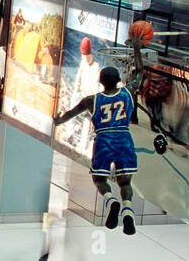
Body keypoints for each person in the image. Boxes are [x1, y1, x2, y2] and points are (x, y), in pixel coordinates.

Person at [53, 64, 139, 235]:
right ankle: (128, 211)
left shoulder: (91, 100)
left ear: (100, 82)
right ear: (119, 81)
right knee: (125, 183)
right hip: (123, 139)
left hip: (104, 141)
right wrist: (136, 48)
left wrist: (57, 120)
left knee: (99, 180)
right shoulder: (127, 92)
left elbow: (69, 115)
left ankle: (110, 200)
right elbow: (141, 73)